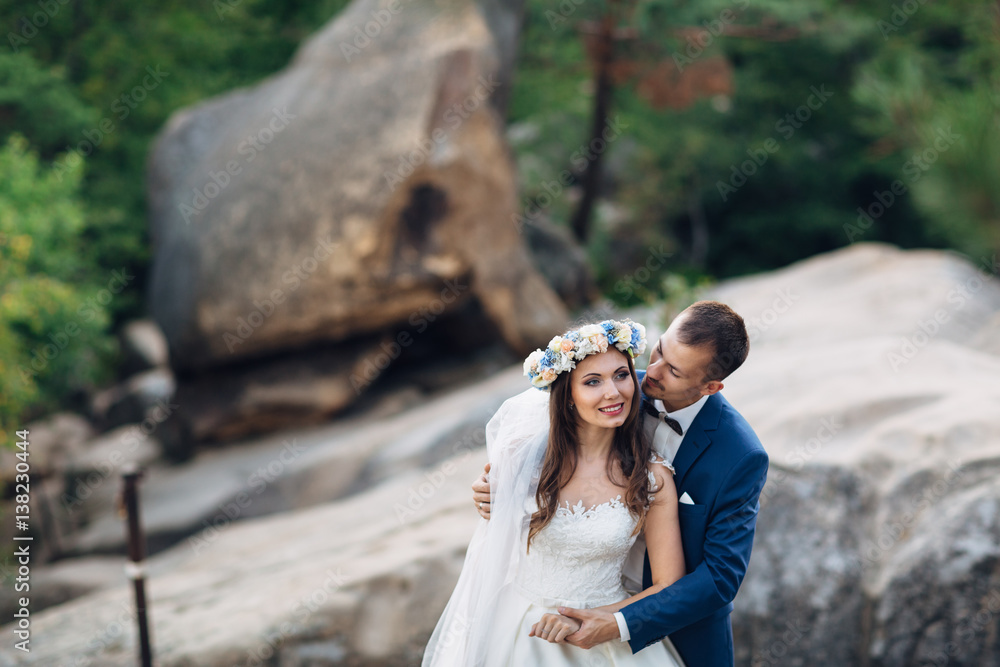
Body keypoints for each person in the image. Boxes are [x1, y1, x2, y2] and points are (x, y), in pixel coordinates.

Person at [473, 301, 769, 666]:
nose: (652, 372)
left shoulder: (740, 456)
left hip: (674, 629)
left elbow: (720, 577)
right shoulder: (616, 390)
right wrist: (494, 488)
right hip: (544, 617)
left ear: (710, 386)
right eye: (659, 350)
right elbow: (545, 439)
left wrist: (617, 622)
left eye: (673, 370)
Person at [423, 319, 687, 667]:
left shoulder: (651, 476)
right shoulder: (523, 458)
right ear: (568, 395)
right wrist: (487, 499)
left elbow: (668, 586)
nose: (613, 392)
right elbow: (494, 535)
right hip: (520, 630)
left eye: (621, 375)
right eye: (593, 381)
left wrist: (600, 619)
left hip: (605, 631)